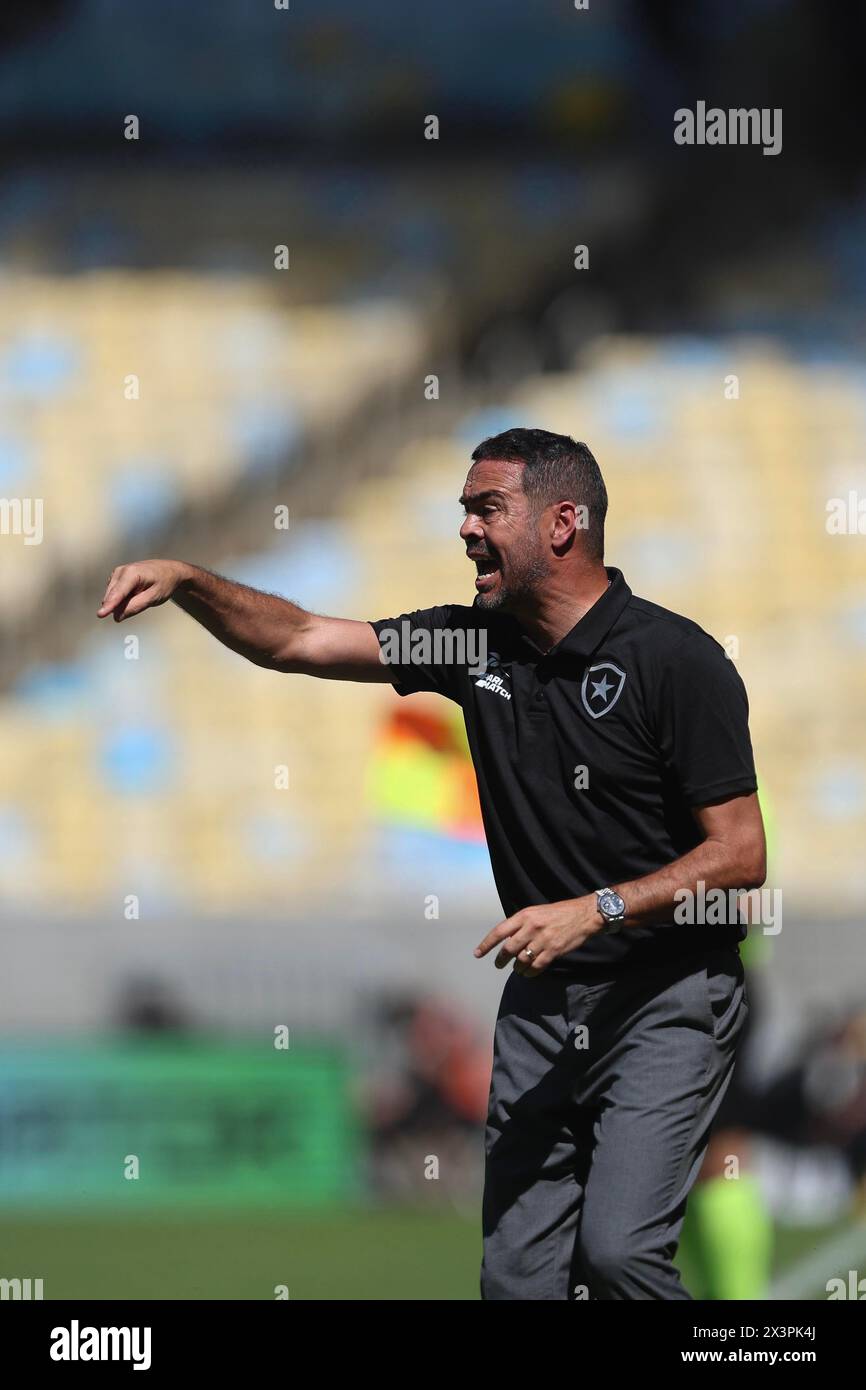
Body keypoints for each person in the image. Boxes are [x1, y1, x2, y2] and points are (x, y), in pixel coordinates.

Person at [97, 427, 766, 1300]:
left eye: (488, 508)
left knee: (618, 1255)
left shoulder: (674, 660)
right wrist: (189, 581)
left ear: (564, 522)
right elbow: (297, 638)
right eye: (463, 510)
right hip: (542, 1001)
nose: (465, 529)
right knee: (516, 1280)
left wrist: (596, 908)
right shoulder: (471, 644)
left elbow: (742, 854)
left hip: (666, 996)